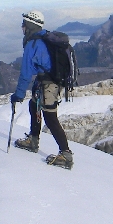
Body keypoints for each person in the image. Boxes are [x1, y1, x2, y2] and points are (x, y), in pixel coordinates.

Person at [10, 10, 73, 169]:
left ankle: (66, 154)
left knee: (50, 118)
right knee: (33, 105)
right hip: (48, 81)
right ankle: (33, 139)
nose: (22, 27)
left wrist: (18, 95)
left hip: (48, 84)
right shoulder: (45, 37)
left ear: (30, 25)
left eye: (24, 25)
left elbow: (25, 74)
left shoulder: (32, 44)